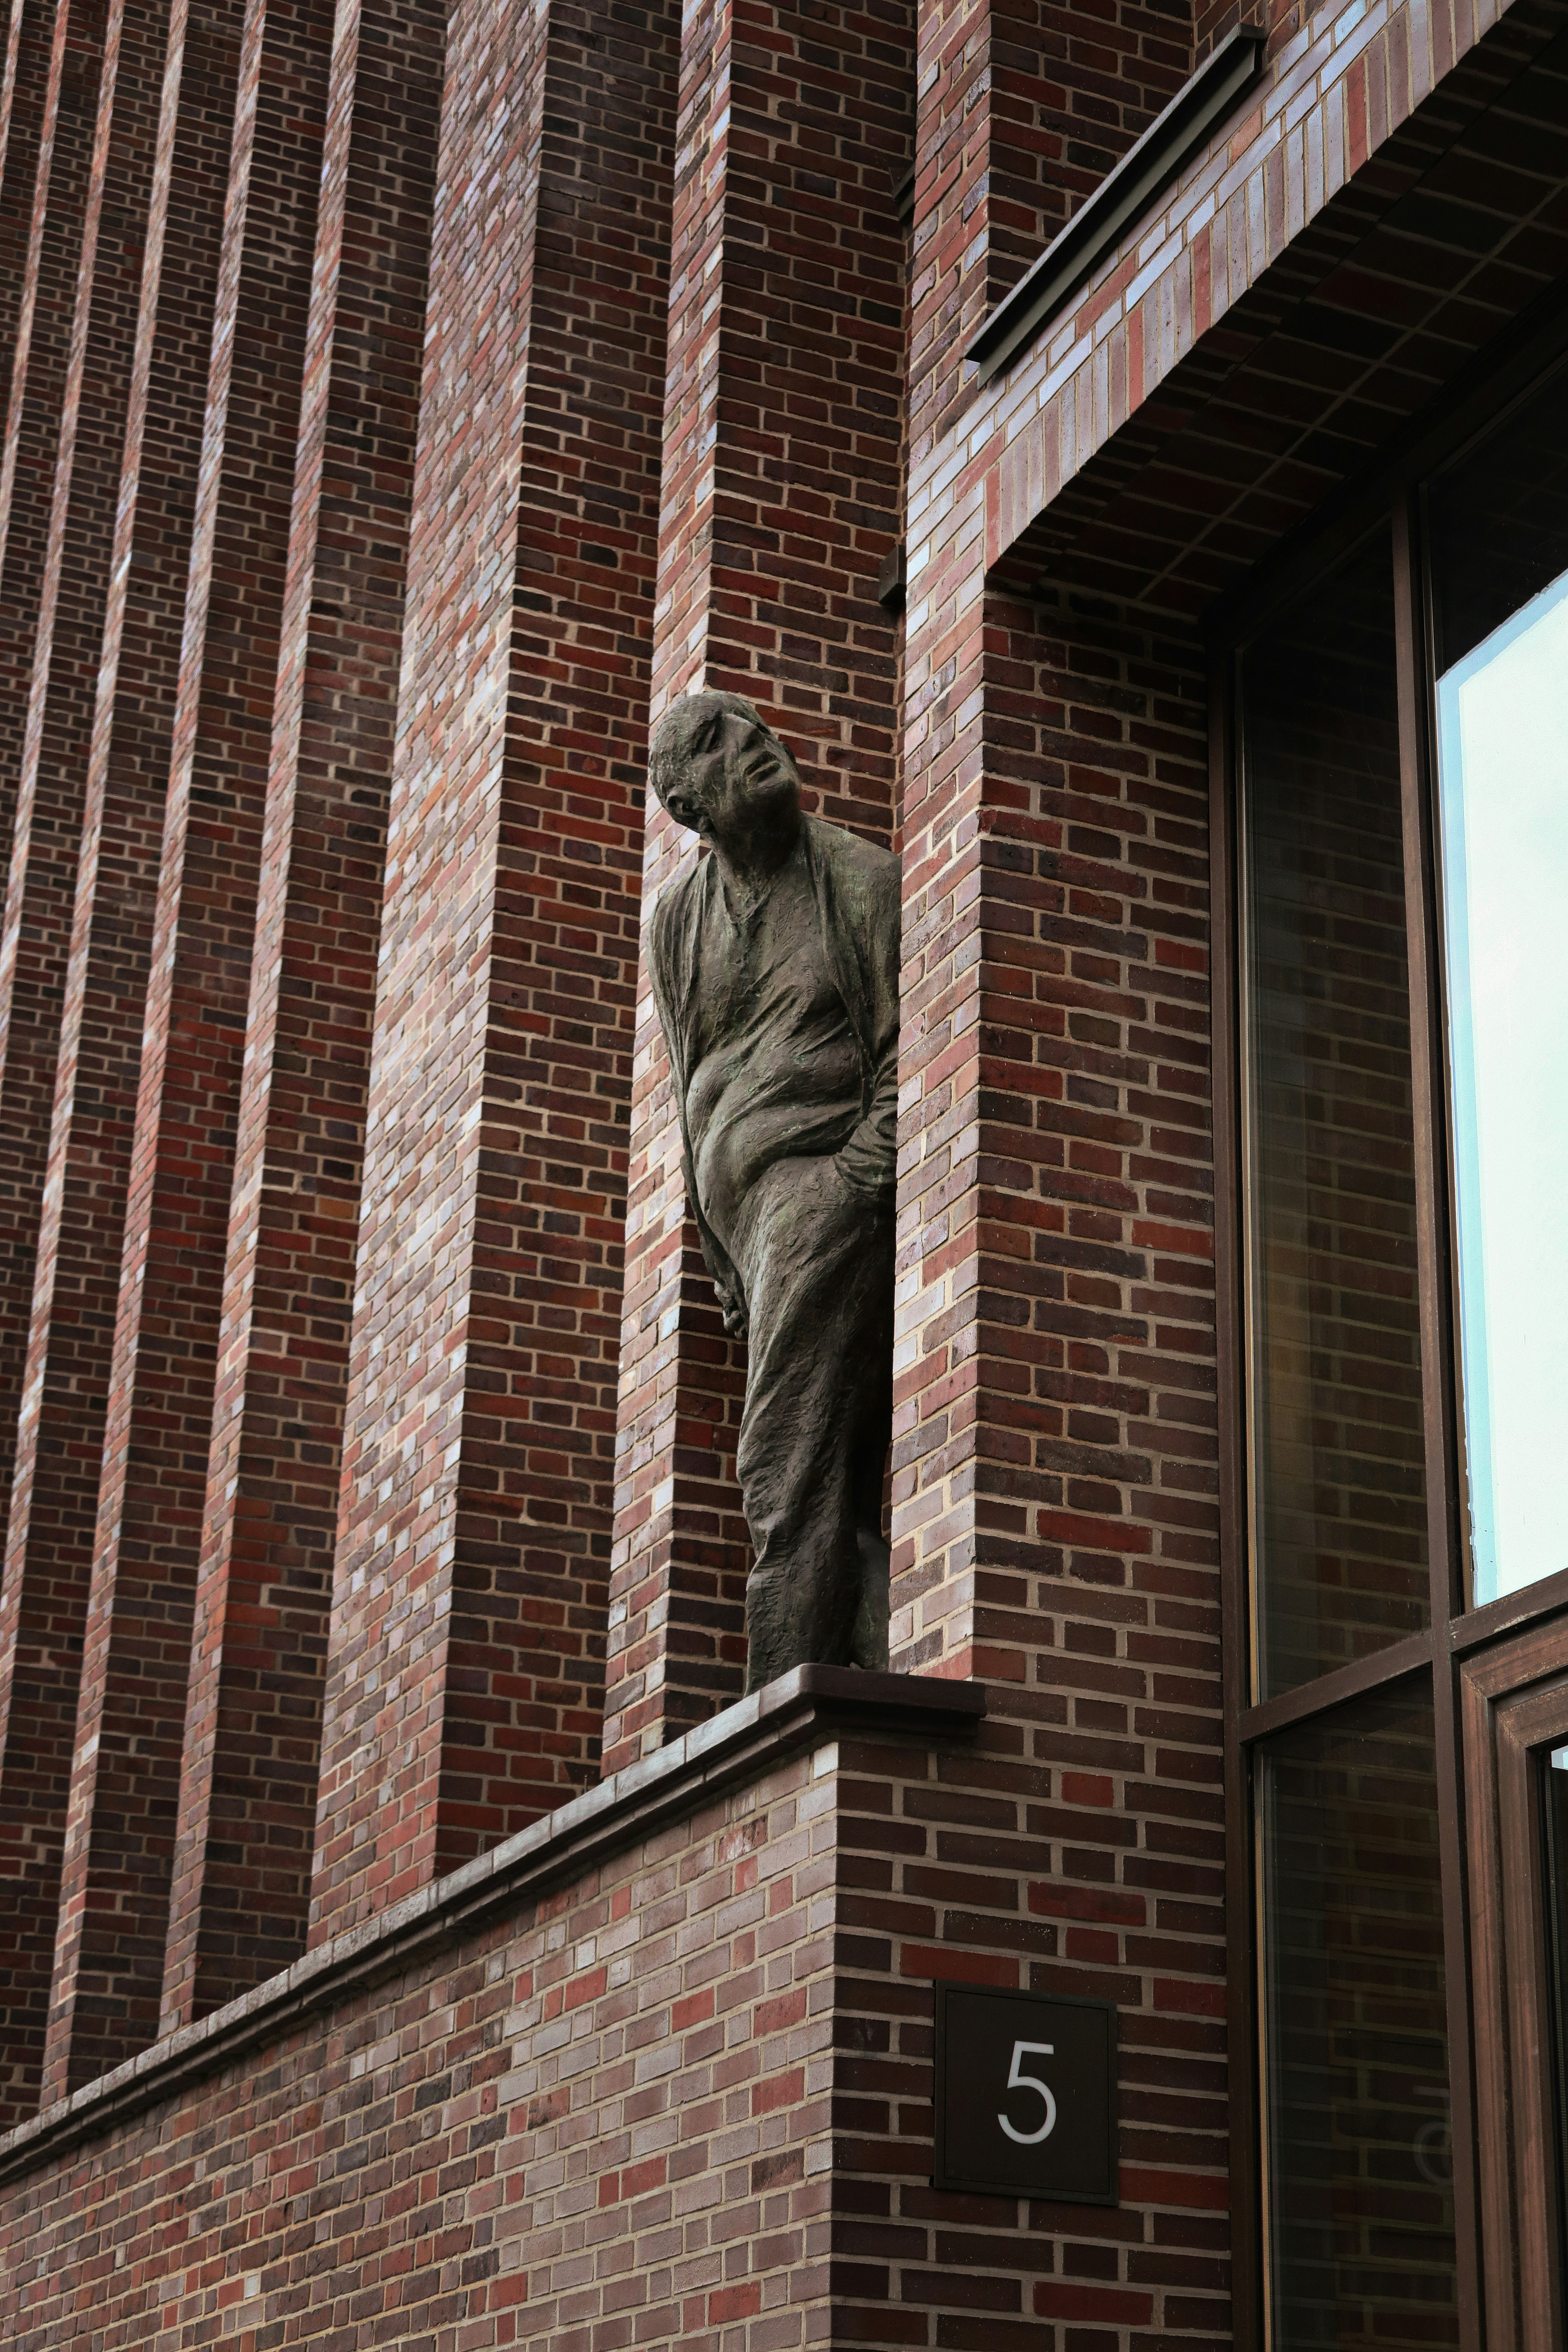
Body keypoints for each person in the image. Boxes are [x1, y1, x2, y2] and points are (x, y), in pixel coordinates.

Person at [647, 690, 900, 1688]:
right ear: (688, 808)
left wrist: (844, 1188)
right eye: (717, 740)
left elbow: (900, 1060)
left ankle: (781, 1704)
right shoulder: (677, 922)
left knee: (779, 1462)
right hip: (747, 1239)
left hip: (820, 1205)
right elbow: (689, 1088)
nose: (754, 740)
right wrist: (721, 1254)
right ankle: (867, 1657)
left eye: (753, 724)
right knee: (825, 1466)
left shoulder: (859, 882)